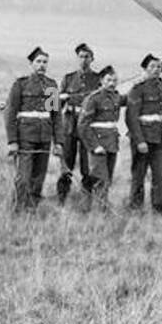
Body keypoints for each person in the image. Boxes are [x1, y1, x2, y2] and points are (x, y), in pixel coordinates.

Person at [5, 47, 61, 212]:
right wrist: (12, 141)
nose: (42, 65)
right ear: (31, 64)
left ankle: (32, 208)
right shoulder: (21, 84)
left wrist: (59, 142)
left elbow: (55, 115)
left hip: (44, 137)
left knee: (39, 177)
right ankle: (19, 208)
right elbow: (10, 114)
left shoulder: (51, 86)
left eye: (45, 62)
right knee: (24, 176)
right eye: (38, 61)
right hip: (25, 137)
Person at [56, 42, 100, 205]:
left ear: (92, 59)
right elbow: (53, 106)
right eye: (81, 56)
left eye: (87, 56)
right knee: (66, 163)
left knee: (87, 166)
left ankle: (86, 199)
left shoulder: (97, 80)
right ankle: (62, 198)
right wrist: (59, 98)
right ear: (77, 58)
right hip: (69, 126)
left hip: (88, 127)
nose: (84, 60)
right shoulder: (68, 78)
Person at [126, 54, 162, 216]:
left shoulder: (160, 87)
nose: (156, 70)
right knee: (139, 174)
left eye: (158, 67)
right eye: (152, 67)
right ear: (145, 69)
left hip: (159, 137)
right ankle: (135, 207)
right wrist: (139, 141)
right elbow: (131, 118)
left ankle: (159, 207)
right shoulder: (138, 89)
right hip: (143, 137)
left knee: (160, 174)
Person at [78, 65, 125, 210]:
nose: (112, 83)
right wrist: (94, 146)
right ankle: (101, 211)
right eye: (109, 80)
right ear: (101, 81)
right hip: (98, 143)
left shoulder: (116, 97)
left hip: (111, 142)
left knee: (108, 178)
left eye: (115, 80)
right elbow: (83, 125)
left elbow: (130, 98)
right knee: (100, 179)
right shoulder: (93, 98)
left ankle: (91, 207)